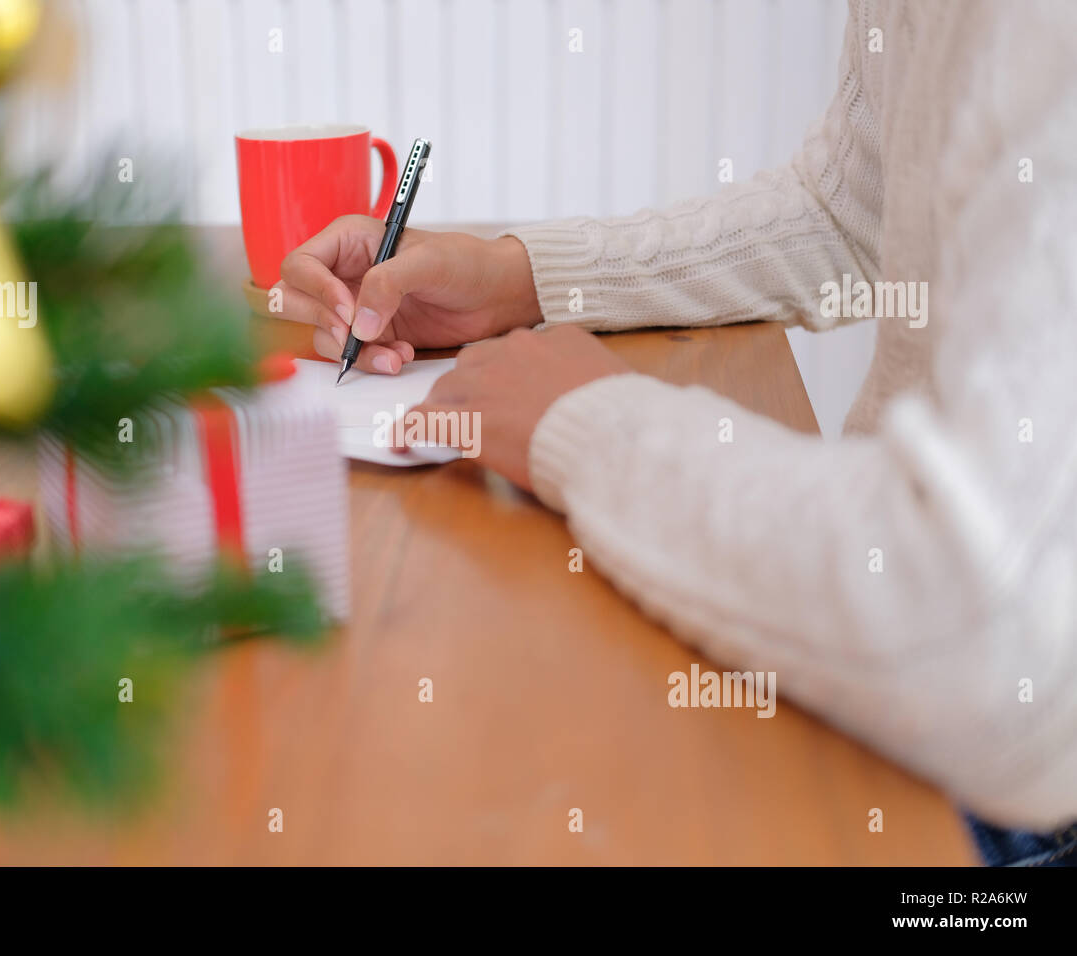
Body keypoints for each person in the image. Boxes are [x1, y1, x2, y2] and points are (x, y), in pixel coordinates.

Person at [275, 0, 1076, 863]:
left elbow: (999, 630)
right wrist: (523, 279)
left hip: (995, 779)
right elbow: (850, 210)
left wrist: (590, 423)